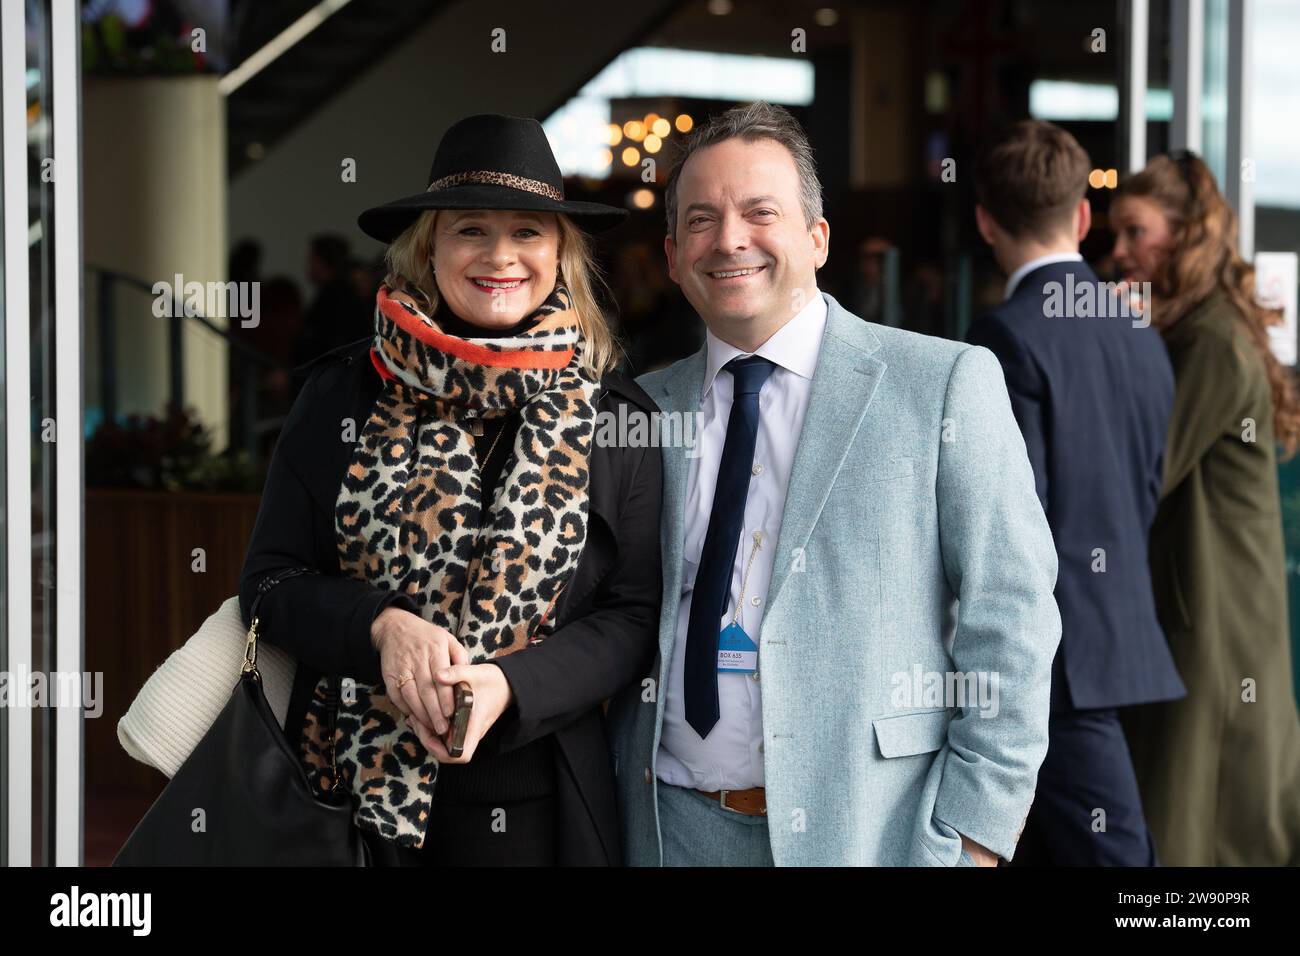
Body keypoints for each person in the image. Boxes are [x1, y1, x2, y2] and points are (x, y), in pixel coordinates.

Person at [606, 101, 1061, 866]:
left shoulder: (942, 383)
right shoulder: (641, 409)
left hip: (870, 833)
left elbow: (1011, 619)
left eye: (760, 212)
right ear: (675, 254)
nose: (730, 240)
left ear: (817, 238)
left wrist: (976, 840)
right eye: (701, 220)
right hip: (665, 830)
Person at [238, 114, 663, 866]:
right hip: (346, 803)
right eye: (471, 229)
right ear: (429, 246)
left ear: (559, 252)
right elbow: (269, 584)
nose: (500, 256)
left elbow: (632, 616)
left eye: (527, 232)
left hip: (539, 807)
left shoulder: (616, 418)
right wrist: (381, 628)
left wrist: (507, 685)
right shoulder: (339, 396)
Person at [966, 120, 1184, 866]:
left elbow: (1009, 524)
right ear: (1083, 216)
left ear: (986, 220)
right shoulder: (1140, 330)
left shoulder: (1005, 335)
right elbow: (1148, 482)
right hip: (1122, 634)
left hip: (1052, 661)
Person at [1111, 150, 1300, 866]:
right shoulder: (1200, 328)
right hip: (1214, 606)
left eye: (1136, 232)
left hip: (1218, 617)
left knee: (1199, 816)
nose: (1119, 251)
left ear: (1185, 234)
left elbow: (1142, 473)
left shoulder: (1210, 341)